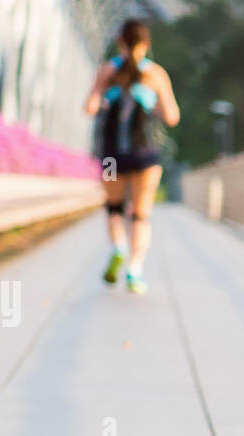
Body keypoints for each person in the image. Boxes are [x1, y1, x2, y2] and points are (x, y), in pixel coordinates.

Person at [84, 19, 181, 295]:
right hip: (145, 155)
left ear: (120, 42)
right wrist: (149, 102)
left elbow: (90, 108)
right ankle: (135, 270)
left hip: (113, 154)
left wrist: (106, 95)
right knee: (140, 215)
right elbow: (172, 117)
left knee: (114, 209)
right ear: (146, 44)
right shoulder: (156, 74)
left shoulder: (107, 71)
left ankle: (118, 247)